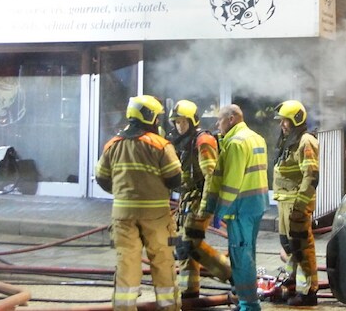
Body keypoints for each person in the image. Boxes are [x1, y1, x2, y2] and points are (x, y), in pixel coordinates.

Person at [95, 95, 182, 311]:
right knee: (163, 262)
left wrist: (123, 194)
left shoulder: (112, 145)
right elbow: (175, 179)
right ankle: (169, 307)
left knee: (127, 263)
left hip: (123, 215)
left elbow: (102, 178)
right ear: (149, 117)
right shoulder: (160, 145)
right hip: (156, 216)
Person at [198, 104, 269, 311]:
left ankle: (249, 304)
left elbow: (231, 182)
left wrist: (220, 210)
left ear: (231, 119)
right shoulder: (256, 138)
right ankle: (248, 301)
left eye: (219, 120)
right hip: (256, 205)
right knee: (249, 253)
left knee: (240, 257)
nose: (217, 125)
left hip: (239, 209)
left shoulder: (236, 143)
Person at [169, 100, 231, 300]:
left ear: (192, 120)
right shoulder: (182, 142)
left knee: (191, 243)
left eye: (183, 122)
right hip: (186, 200)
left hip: (198, 200)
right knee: (183, 246)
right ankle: (189, 290)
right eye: (176, 122)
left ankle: (231, 274)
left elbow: (210, 176)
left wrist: (206, 207)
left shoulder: (203, 141)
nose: (179, 126)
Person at [269, 100, 320, 306]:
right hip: (284, 201)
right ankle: (291, 286)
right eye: (281, 121)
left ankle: (309, 292)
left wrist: (300, 206)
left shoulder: (305, 141)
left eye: (286, 121)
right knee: (289, 247)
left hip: (296, 203)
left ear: (296, 120)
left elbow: (311, 176)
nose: (282, 124)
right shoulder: (289, 141)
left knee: (302, 247)